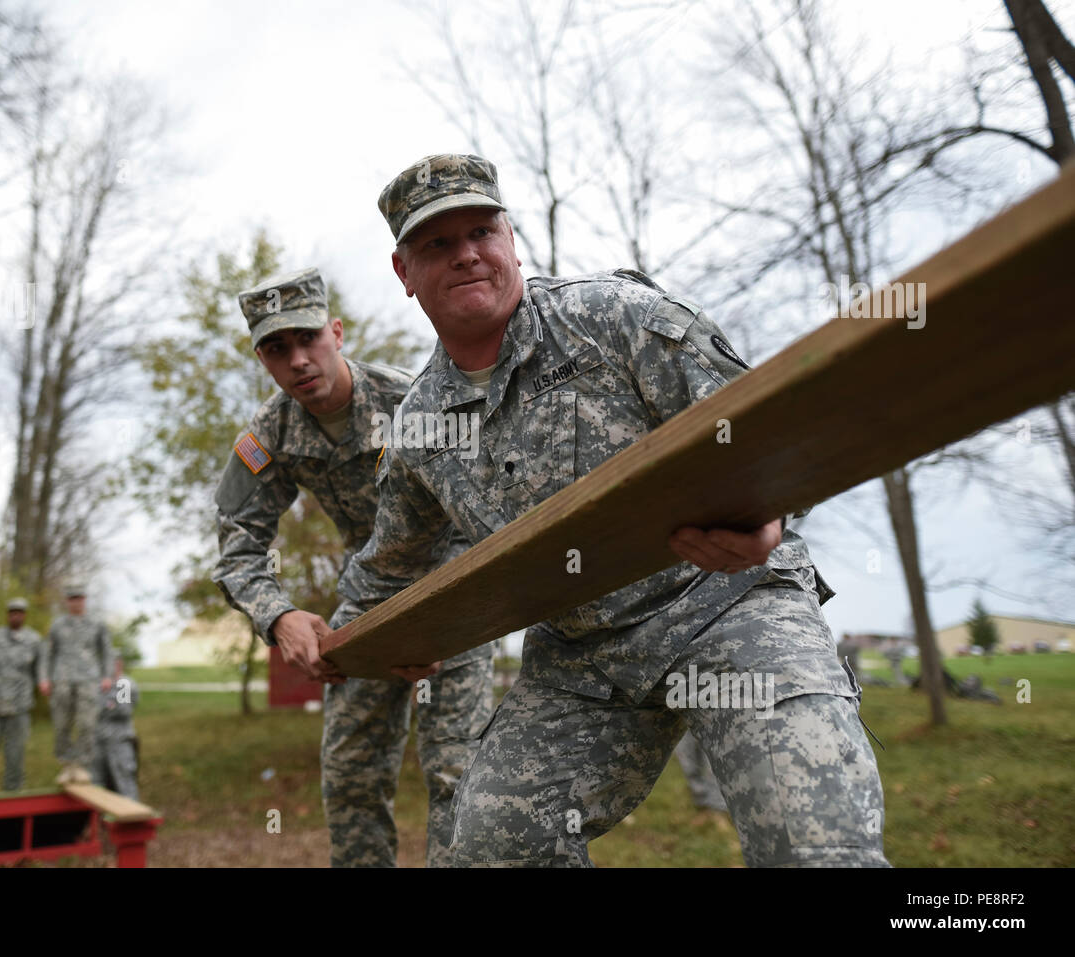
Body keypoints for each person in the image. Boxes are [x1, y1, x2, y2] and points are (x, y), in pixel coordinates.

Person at [331, 153, 889, 868]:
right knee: (493, 853)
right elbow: (390, 564)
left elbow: (761, 428)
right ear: (404, 272)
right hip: (582, 654)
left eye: (482, 231)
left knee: (815, 848)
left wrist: (772, 511)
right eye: (437, 243)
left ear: (510, 240)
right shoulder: (421, 423)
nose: (467, 253)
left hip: (731, 602)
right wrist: (338, 640)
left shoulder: (612, 317)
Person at [212, 266, 495, 867]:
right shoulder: (272, 433)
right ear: (263, 359)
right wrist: (280, 616)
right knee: (350, 778)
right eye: (276, 348)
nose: (297, 361)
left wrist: (447, 618)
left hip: (450, 591)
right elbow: (237, 545)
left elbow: (487, 503)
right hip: (367, 603)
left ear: (336, 332)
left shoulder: (413, 400)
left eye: (308, 338)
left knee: (456, 773)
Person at [0, 598, 44, 793]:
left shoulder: (35, 640)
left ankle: (13, 792)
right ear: (7, 615)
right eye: (12, 612)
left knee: (15, 752)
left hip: (19, 706)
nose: (16, 615)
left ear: (25, 615)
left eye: (20, 612)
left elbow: (40, 671)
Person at [43, 584, 113, 785]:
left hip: (88, 679)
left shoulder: (97, 624)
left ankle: (81, 765)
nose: (76, 601)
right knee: (62, 723)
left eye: (80, 598)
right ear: (67, 601)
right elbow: (47, 653)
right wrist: (44, 678)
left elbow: (106, 651)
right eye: (72, 598)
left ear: (85, 599)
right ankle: (66, 765)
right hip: (62, 679)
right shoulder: (57, 625)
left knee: (87, 723)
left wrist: (107, 675)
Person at [93, 657, 140, 799]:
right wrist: (109, 704)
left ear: (119, 664)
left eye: (115, 662)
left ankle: (132, 815)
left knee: (124, 780)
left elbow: (123, 710)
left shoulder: (124, 683)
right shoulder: (98, 683)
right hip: (99, 739)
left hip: (120, 740)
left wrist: (103, 707)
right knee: (97, 781)